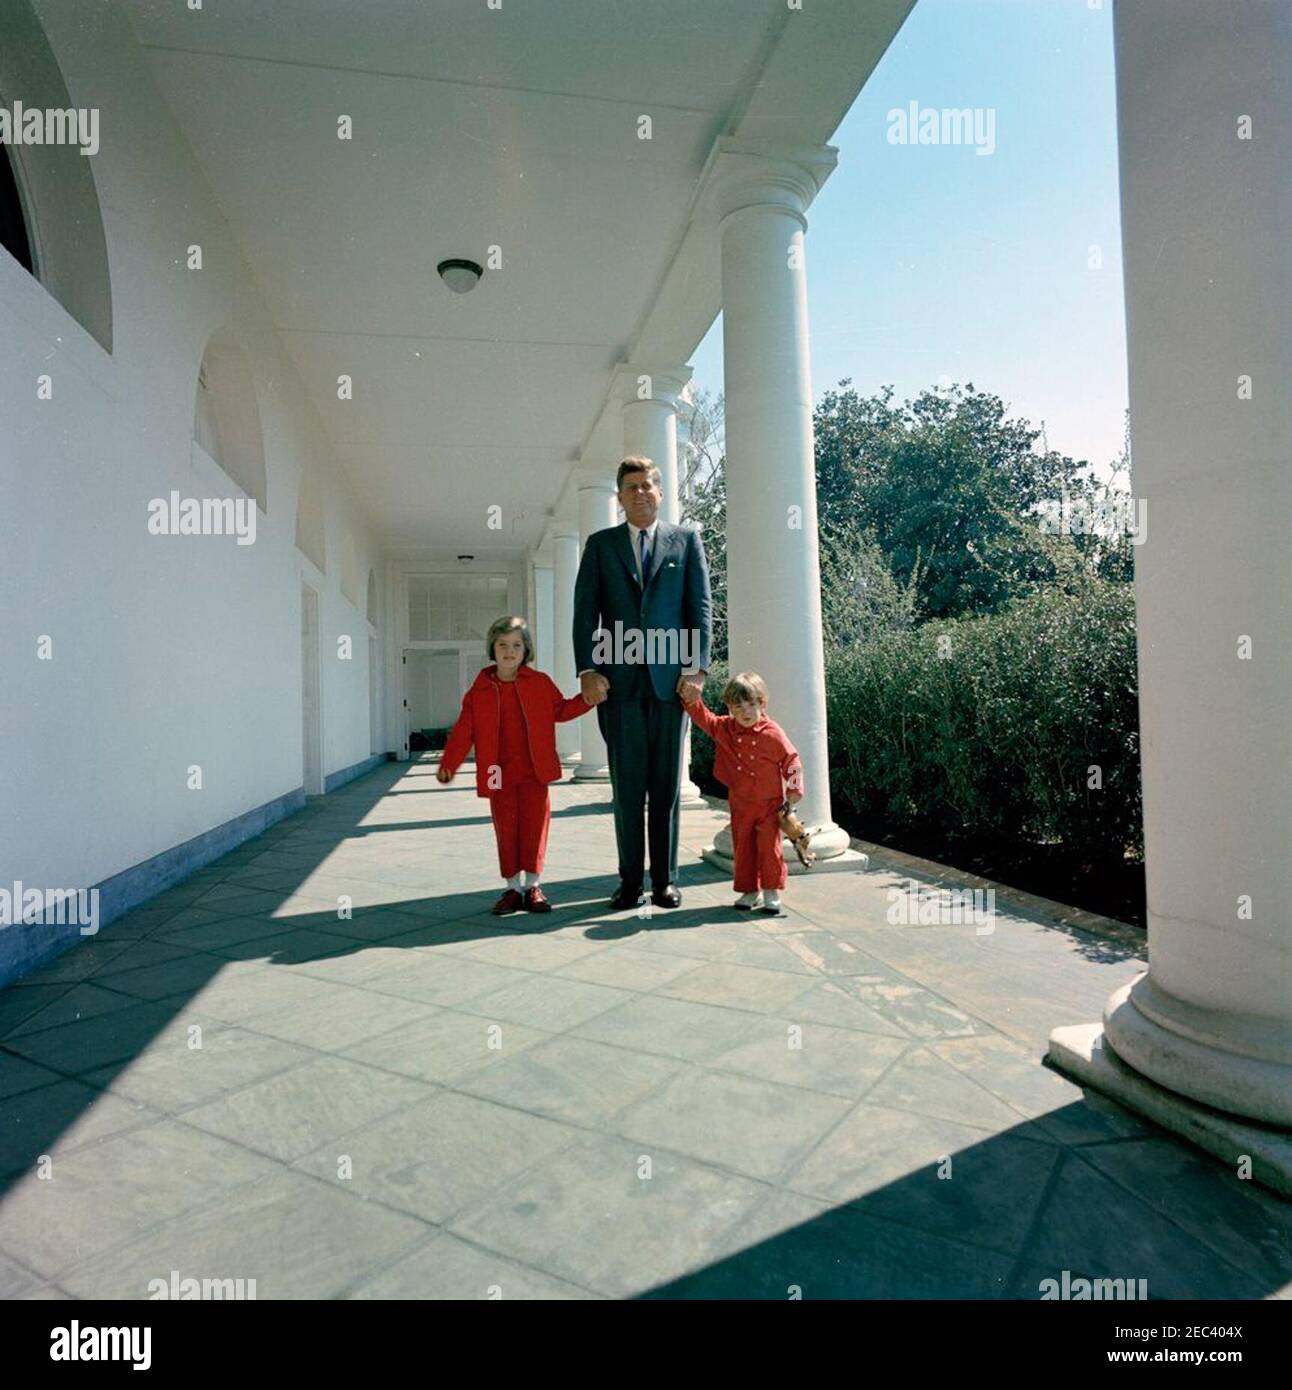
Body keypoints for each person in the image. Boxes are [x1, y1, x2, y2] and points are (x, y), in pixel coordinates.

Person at [573, 456, 712, 910]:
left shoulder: (686, 541)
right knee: (627, 791)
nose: (640, 493)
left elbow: (700, 610)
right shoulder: (600, 546)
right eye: (631, 487)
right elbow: (584, 614)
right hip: (620, 688)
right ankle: (630, 882)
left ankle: (665, 882)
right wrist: (588, 670)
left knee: (666, 790)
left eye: (648, 485)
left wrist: (696, 670)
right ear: (620, 496)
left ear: (661, 491)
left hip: (671, 688)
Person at [437, 615, 593, 914]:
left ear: (526, 650)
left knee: (535, 827)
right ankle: (512, 889)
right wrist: (450, 763)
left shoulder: (539, 682)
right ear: (492, 648)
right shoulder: (479, 689)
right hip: (497, 772)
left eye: (517, 645)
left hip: (535, 769)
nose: (509, 651)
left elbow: (560, 711)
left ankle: (533, 886)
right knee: (506, 828)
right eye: (503, 644)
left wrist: (588, 700)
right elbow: (463, 730)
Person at [680, 671, 803, 916]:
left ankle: (771, 891)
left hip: (769, 806)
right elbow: (703, 717)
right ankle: (750, 891)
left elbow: (792, 760)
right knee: (744, 848)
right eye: (738, 706)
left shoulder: (773, 733)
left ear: (762, 704)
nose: (745, 712)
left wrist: (794, 789)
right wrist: (691, 699)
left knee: (770, 849)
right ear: (729, 707)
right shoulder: (725, 728)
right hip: (740, 804)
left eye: (751, 705)